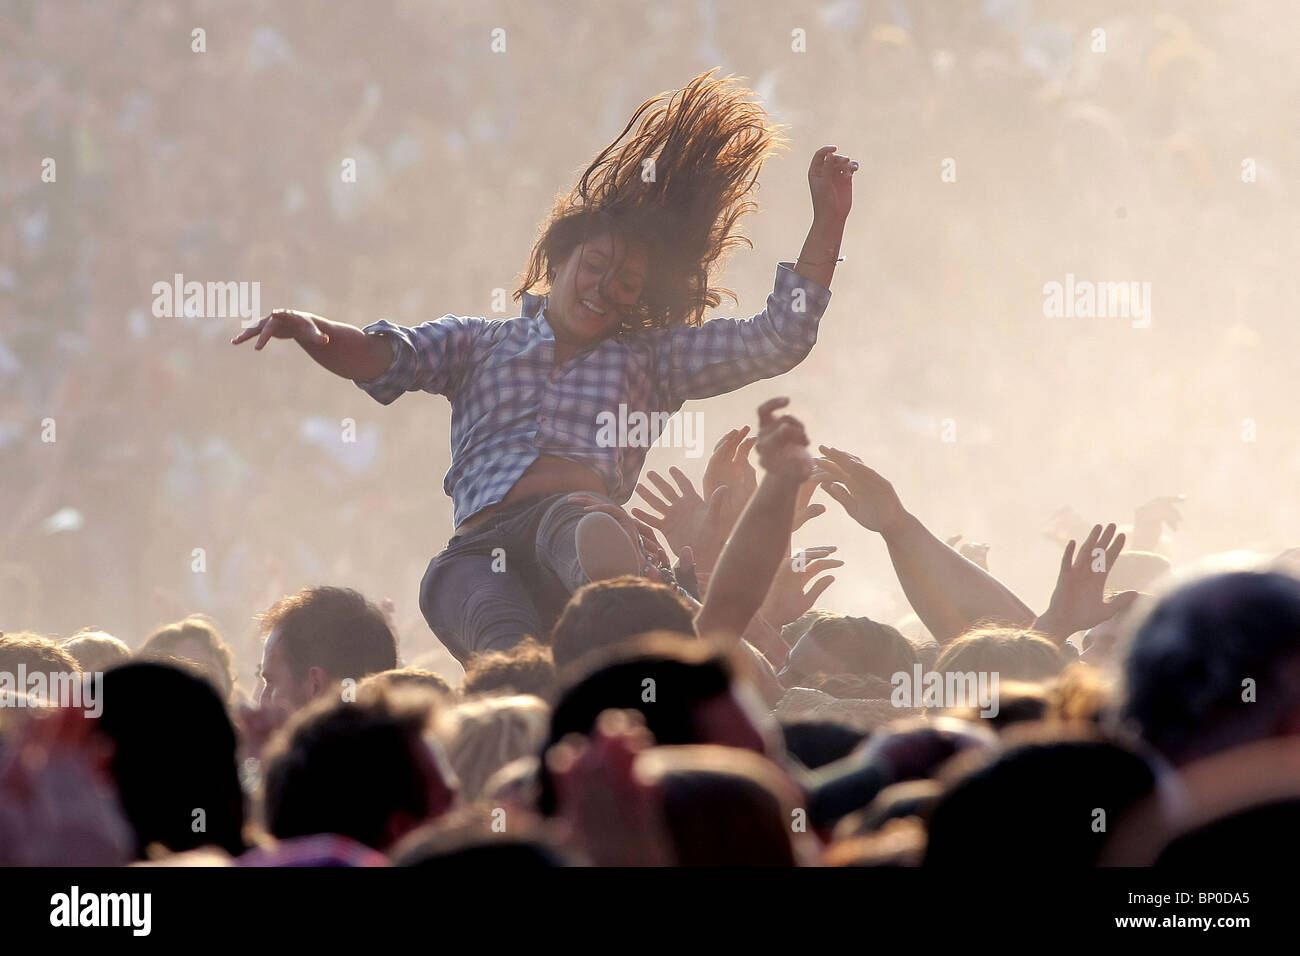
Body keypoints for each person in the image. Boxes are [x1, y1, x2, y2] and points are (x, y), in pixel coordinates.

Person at [233, 69, 856, 663]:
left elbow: (778, 338)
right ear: (558, 262)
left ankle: (642, 623)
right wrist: (315, 333)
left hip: (575, 524)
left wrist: (827, 224)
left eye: (627, 282)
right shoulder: (479, 343)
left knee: (587, 533)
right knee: (473, 607)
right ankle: (528, 688)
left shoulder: (651, 361)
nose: (604, 289)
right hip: (479, 544)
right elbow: (385, 354)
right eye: (593, 267)